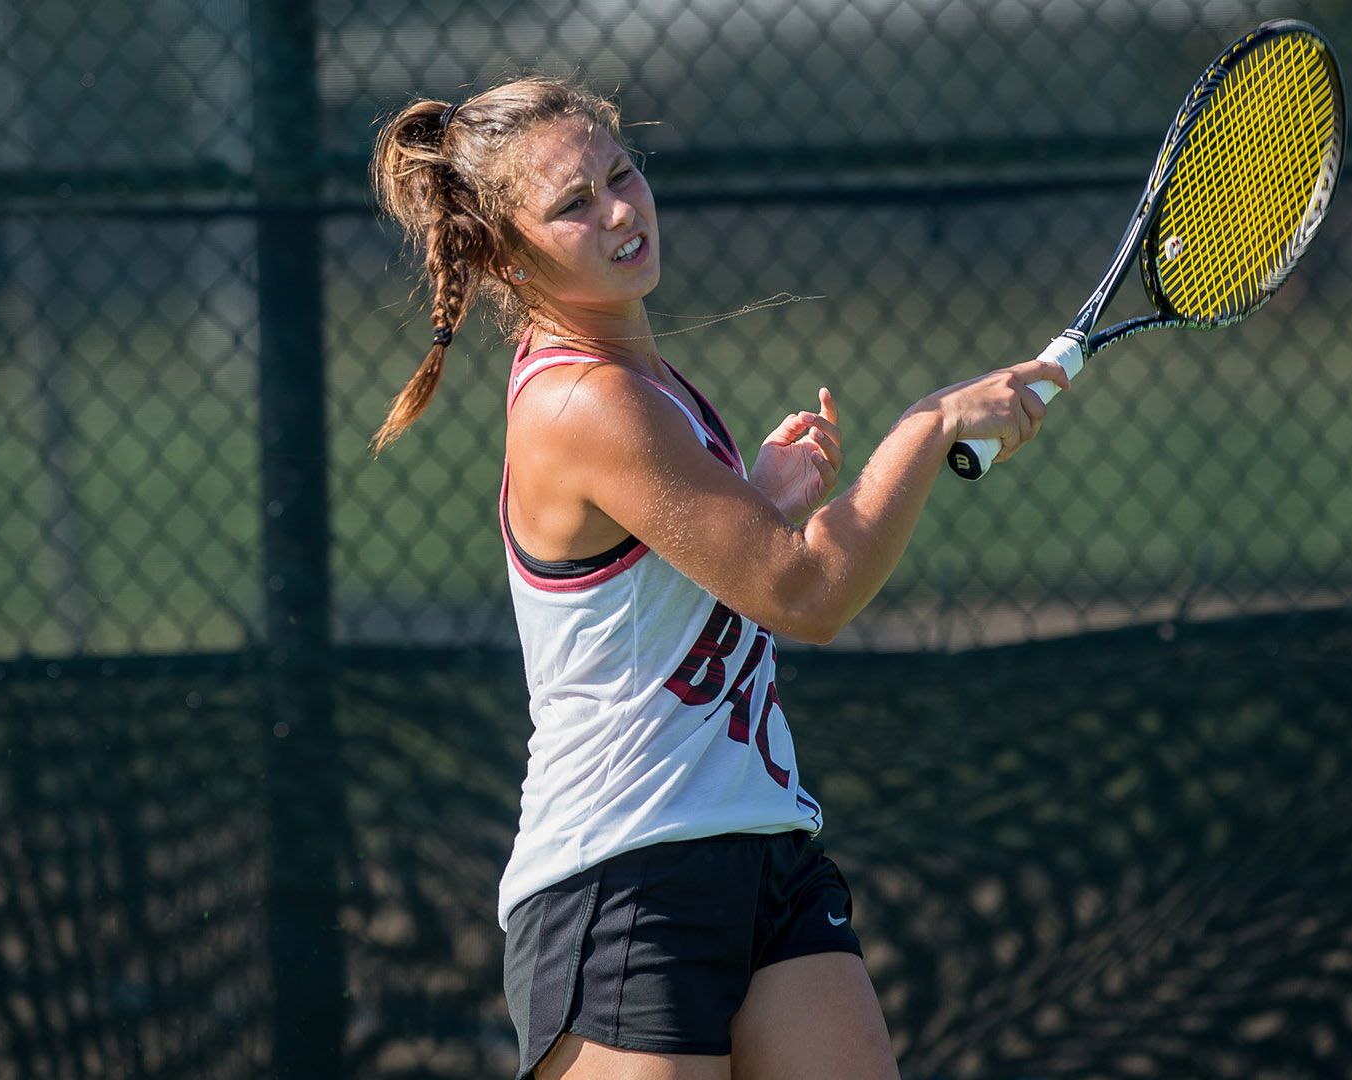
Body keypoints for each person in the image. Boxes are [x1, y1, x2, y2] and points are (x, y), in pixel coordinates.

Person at [369, 76, 1067, 1080]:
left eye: (622, 173)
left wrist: (758, 499)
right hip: (625, 879)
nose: (619, 209)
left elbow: (675, 584)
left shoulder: (645, 381)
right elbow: (806, 595)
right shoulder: (582, 401)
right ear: (504, 256)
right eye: (573, 204)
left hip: (766, 846)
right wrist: (930, 426)